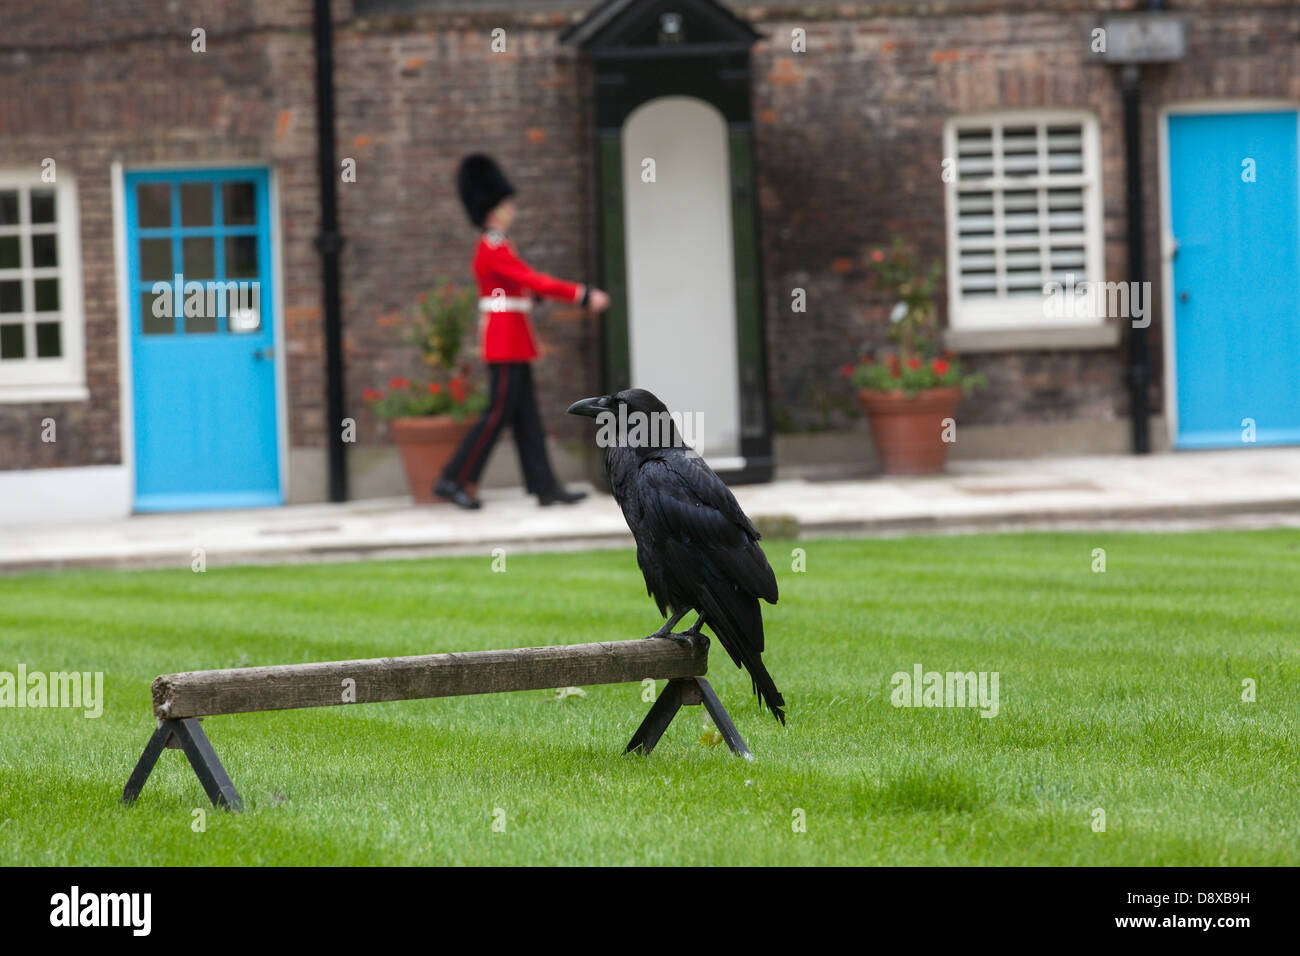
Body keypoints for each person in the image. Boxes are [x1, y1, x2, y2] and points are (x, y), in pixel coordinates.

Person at [434, 154, 610, 510]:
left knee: (527, 416)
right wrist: (582, 294)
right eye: (506, 204)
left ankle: (544, 486)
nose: (512, 209)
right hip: (503, 342)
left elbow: (519, 287)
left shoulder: (500, 245)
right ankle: (453, 478)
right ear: (491, 209)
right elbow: (531, 279)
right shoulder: (492, 247)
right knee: (497, 415)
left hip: (514, 338)